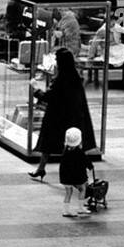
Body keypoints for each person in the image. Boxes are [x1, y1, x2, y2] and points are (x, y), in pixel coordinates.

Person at [28, 48, 95, 178]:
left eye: (58, 60)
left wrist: (35, 89)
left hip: (58, 118)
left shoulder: (61, 79)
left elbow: (49, 96)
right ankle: (83, 169)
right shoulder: (75, 77)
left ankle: (42, 168)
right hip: (73, 117)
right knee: (74, 144)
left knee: (48, 143)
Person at [58, 127, 95, 219]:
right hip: (77, 176)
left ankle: (66, 210)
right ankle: (80, 208)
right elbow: (87, 163)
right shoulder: (80, 153)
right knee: (82, 189)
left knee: (68, 192)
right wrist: (90, 167)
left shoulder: (65, 151)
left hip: (65, 176)